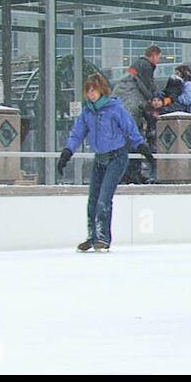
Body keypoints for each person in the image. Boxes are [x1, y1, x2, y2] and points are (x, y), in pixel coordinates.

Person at [57, 73, 155, 252]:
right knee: (92, 200)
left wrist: (142, 146)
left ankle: (103, 237)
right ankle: (92, 235)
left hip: (117, 157)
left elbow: (130, 128)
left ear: (102, 90)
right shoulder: (88, 112)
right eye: (88, 90)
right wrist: (67, 152)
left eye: (94, 90)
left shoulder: (115, 109)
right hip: (100, 159)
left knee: (104, 199)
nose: (91, 94)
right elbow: (77, 133)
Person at [114, 45, 162, 181]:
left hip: (125, 105)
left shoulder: (137, 65)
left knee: (129, 138)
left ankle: (129, 172)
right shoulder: (145, 66)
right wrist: (155, 104)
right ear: (153, 55)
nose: (159, 60)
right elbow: (147, 88)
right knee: (133, 138)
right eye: (159, 57)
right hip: (130, 107)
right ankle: (131, 174)